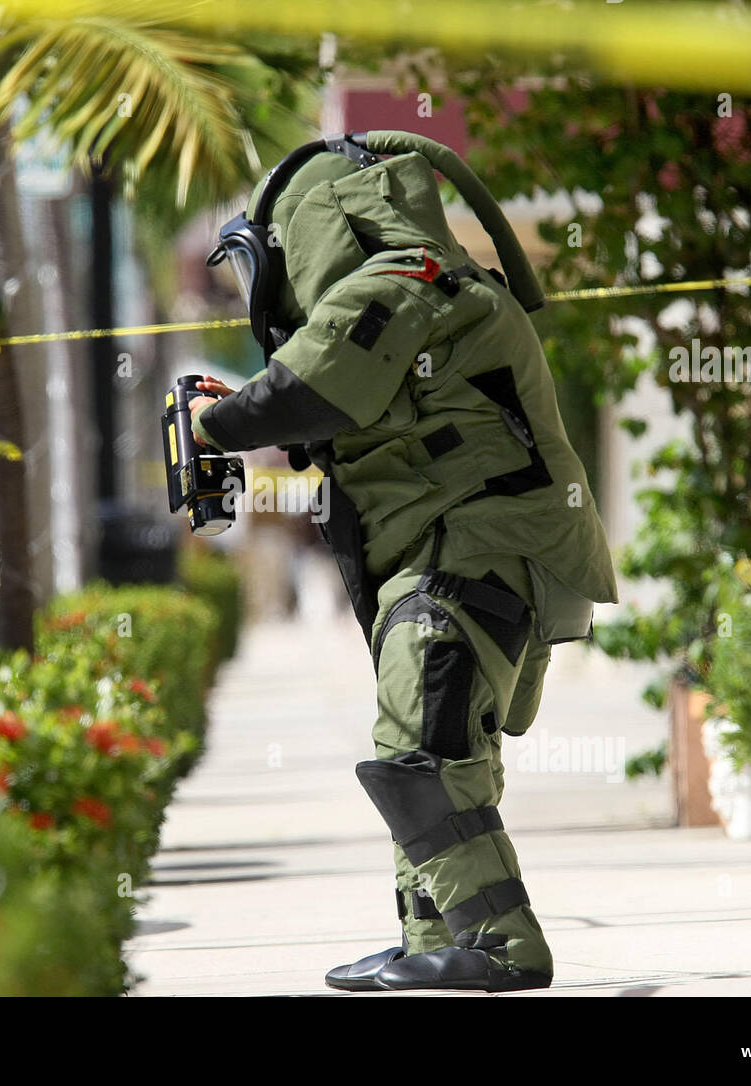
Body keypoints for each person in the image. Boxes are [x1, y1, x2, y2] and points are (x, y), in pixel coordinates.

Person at [189, 131, 617, 993]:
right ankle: (436, 938)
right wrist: (243, 410)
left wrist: (215, 423)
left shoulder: (403, 282)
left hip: (481, 546)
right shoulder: (416, 293)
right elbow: (333, 407)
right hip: (459, 547)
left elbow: (314, 386)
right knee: (426, 743)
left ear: (320, 228)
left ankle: (504, 944)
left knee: (420, 746)